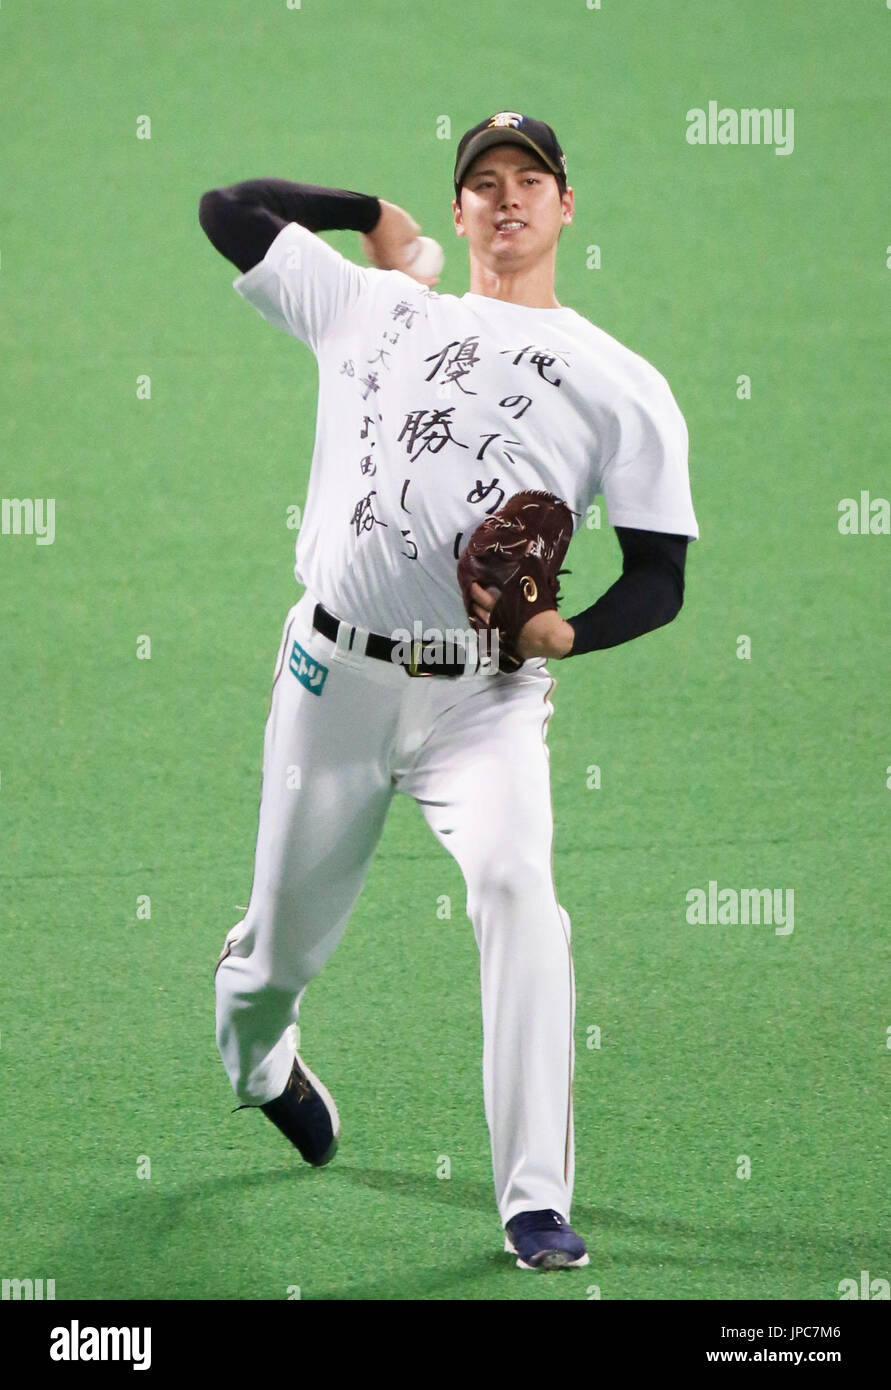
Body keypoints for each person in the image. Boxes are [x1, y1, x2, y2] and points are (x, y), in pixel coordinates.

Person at [198, 112, 698, 1271]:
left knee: (522, 890)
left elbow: (663, 572)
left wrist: (567, 631)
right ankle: (258, 1048)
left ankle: (533, 1200)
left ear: (567, 207)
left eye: (532, 180)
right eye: (483, 183)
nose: (507, 197)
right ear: (462, 210)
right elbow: (230, 210)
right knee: (277, 957)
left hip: (488, 705)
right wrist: (371, 216)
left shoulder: (623, 384)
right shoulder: (374, 305)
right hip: (333, 684)